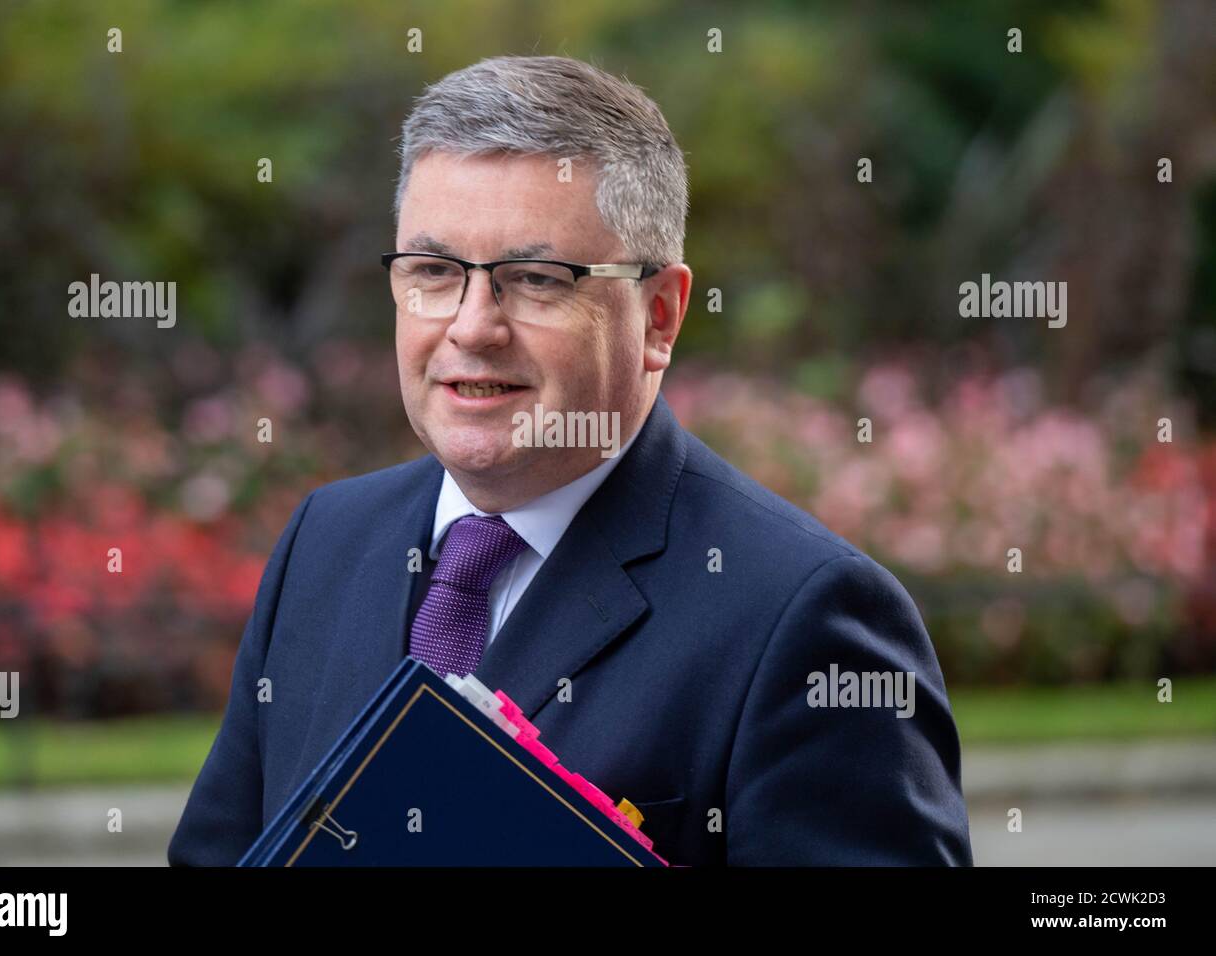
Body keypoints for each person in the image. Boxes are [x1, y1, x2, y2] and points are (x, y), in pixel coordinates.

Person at [168, 54, 972, 866]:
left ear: (659, 317)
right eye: (436, 272)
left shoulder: (806, 618)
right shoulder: (326, 539)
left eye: (536, 279)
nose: (473, 326)